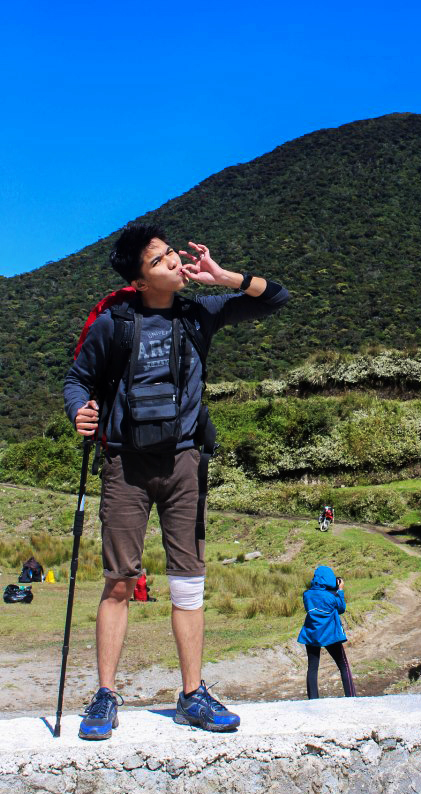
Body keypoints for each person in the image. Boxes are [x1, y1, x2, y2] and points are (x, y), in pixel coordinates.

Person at [64, 223, 289, 740]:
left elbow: (277, 298)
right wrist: (82, 410)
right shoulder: (115, 324)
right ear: (141, 280)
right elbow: (77, 378)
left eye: (171, 254)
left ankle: (192, 695)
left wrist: (221, 275)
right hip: (125, 465)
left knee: (188, 584)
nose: (172, 261)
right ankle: (105, 695)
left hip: (184, 464)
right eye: (159, 259)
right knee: (120, 581)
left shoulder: (198, 313)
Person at [297, 565, 356, 699]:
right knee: (343, 665)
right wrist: (340, 590)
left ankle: (313, 699)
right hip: (330, 636)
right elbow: (341, 608)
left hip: (311, 634)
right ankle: (351, 696)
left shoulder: (307, 595)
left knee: (312, 668)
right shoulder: (331, 597)